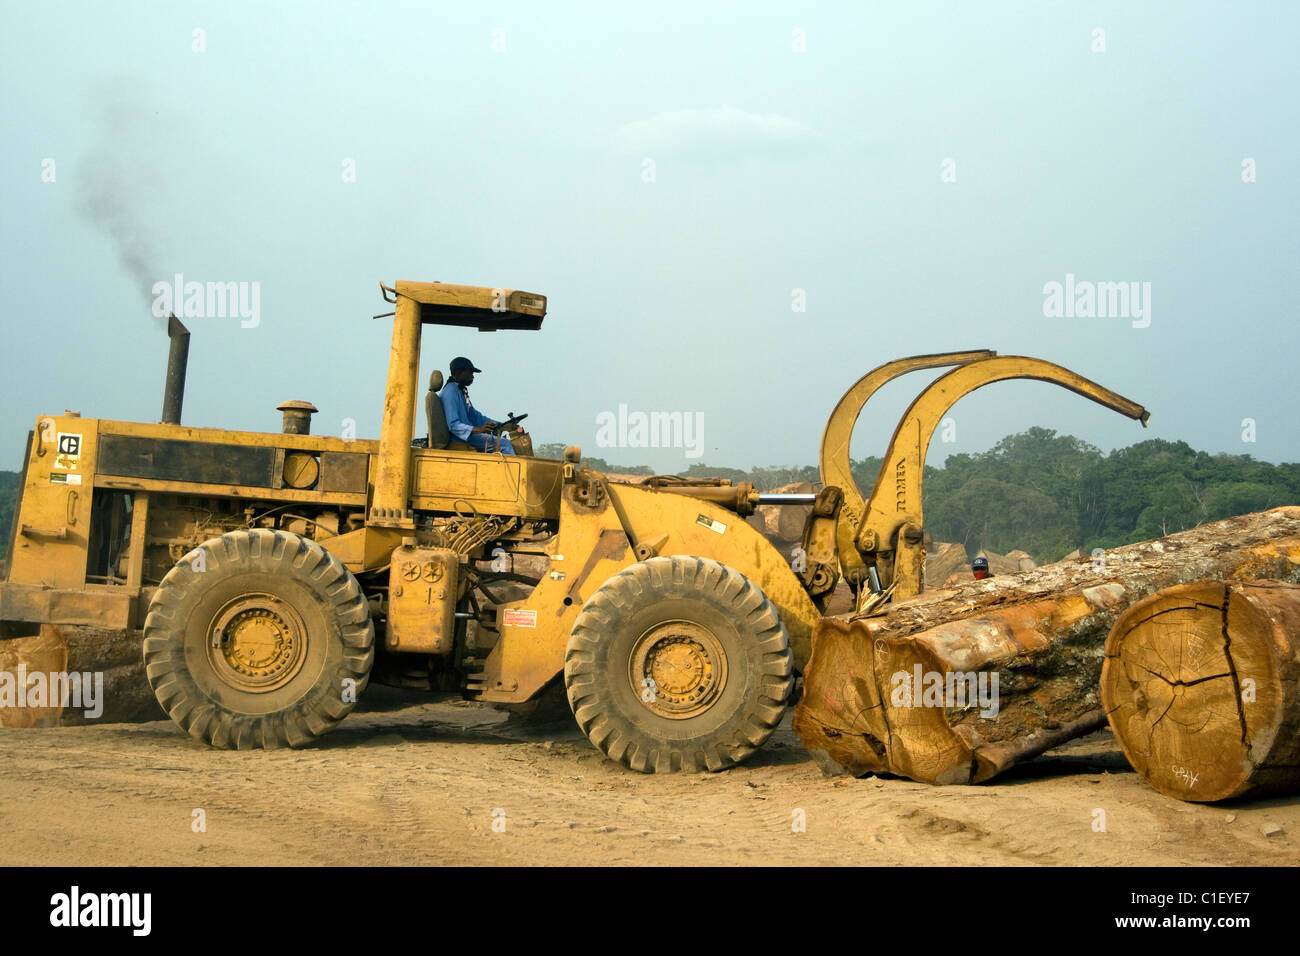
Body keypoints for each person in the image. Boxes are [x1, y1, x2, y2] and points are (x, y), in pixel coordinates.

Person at [439, 356, 515, 454]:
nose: (473, 376)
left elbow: (475, 416)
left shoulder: (460, 391)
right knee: (505, 445)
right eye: (470, 372)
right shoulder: (450, 392)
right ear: (459, 373)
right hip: (459, 439)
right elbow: (453, 425)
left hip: (468, 436)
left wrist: (501, 425)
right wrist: (478, 429)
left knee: (502, 441)